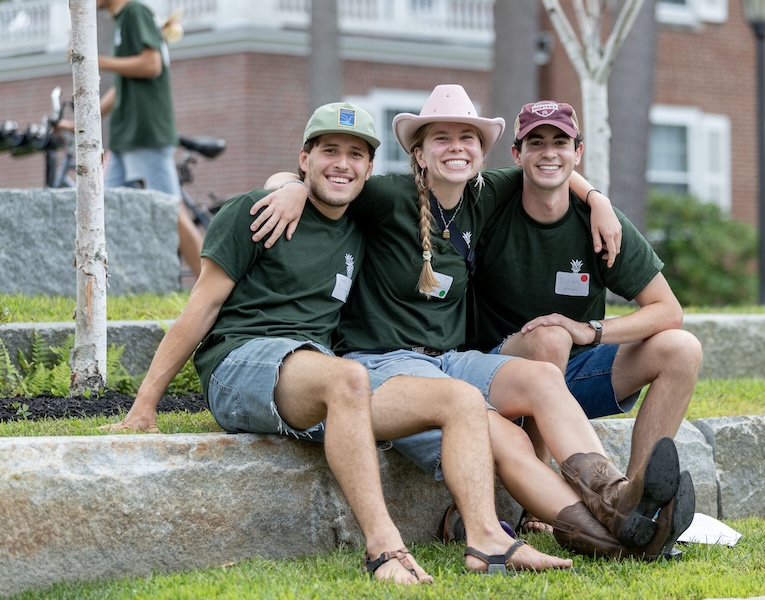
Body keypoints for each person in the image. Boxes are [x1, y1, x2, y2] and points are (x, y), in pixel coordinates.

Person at [100, 101, 570, 582]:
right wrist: (145, 404)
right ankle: (384, 549)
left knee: (462, 399)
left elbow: (544, 174)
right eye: (329, 151)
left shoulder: (359, 228)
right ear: (305, 158)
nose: (342, 164)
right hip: (243, 363)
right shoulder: (256, 211)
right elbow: (199, 309)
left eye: (355, 154)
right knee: (347, 377)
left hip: (319, 372)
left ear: (369, 169)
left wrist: (592, 198)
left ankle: (487, 541)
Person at [258, 84, 691, 561]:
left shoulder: (482, 193)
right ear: (419, 153)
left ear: (483, 154)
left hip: (450, 360)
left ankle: (621, 499)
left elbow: (553, 169)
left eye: (467, 138)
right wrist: (291, 186)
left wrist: (597, 198)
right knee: (507, 435)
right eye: (441, 138)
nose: (456, 148)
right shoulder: (387, 196)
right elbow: (330, 181)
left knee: (544, 379)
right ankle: (612, 539)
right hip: (386, 361)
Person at [468, 100, 703, 537]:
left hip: (574, 374)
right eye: (536, 143)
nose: (549, 153)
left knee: (681, 348)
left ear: (578, 152)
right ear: (517, 154)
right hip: (496, 376)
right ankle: (536, 500)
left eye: (560, 143)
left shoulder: (601, 223)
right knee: (551, 337)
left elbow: (668, 310)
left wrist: (591, 331)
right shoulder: (493, 200)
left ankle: (636, 502)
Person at [59, 0, 204, 278]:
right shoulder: (124, 19)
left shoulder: (135, 12)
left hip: (145, 134)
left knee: (171, 211)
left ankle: (215, 293)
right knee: (105, 210)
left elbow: (151, 64)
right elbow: (123, 87)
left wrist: (92, 58)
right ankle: (111, 285)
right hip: (127, 139)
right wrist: (81, 121)